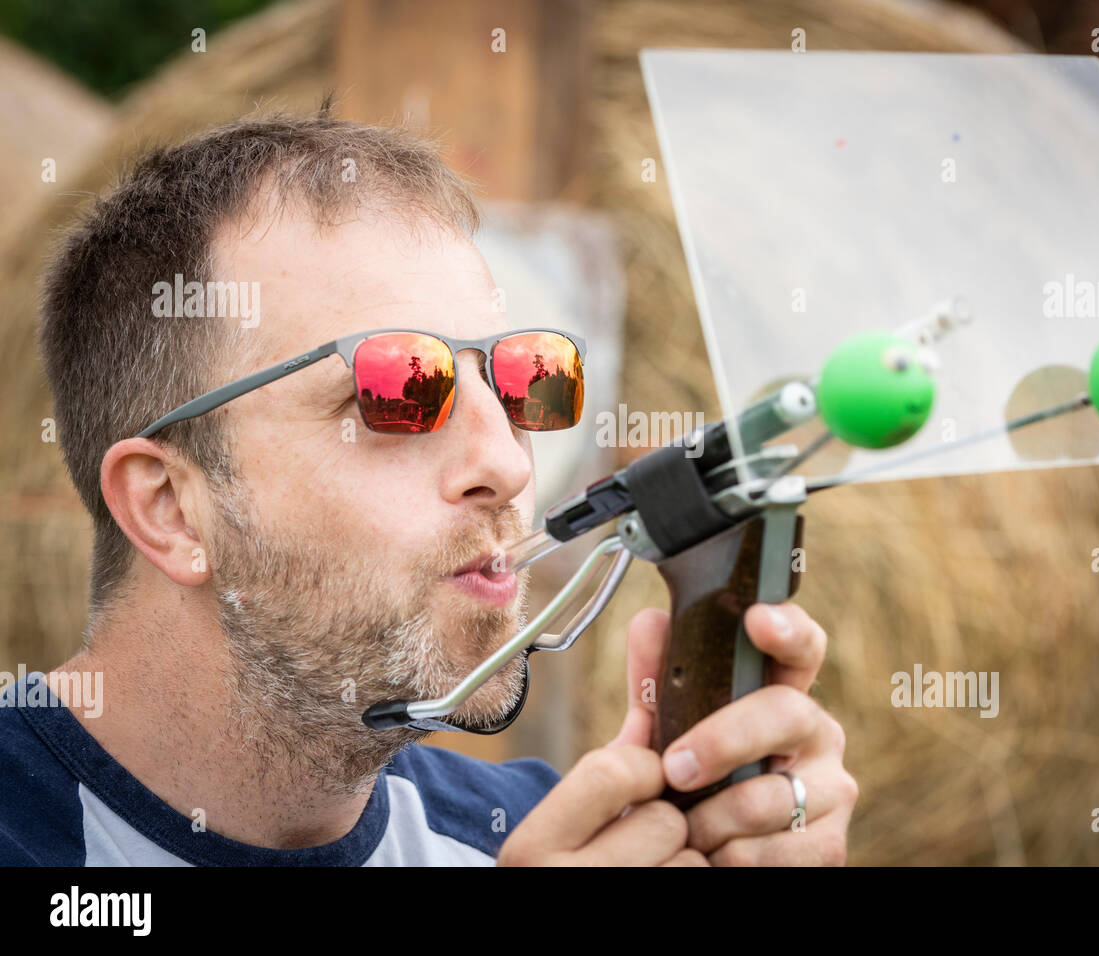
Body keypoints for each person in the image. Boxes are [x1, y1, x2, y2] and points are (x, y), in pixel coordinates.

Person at [0, 109, 856, 866]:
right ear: (169, 506)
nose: (513, 465)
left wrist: (727, 819)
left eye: (526, 380)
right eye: (400, 390)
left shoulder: (526, 833)